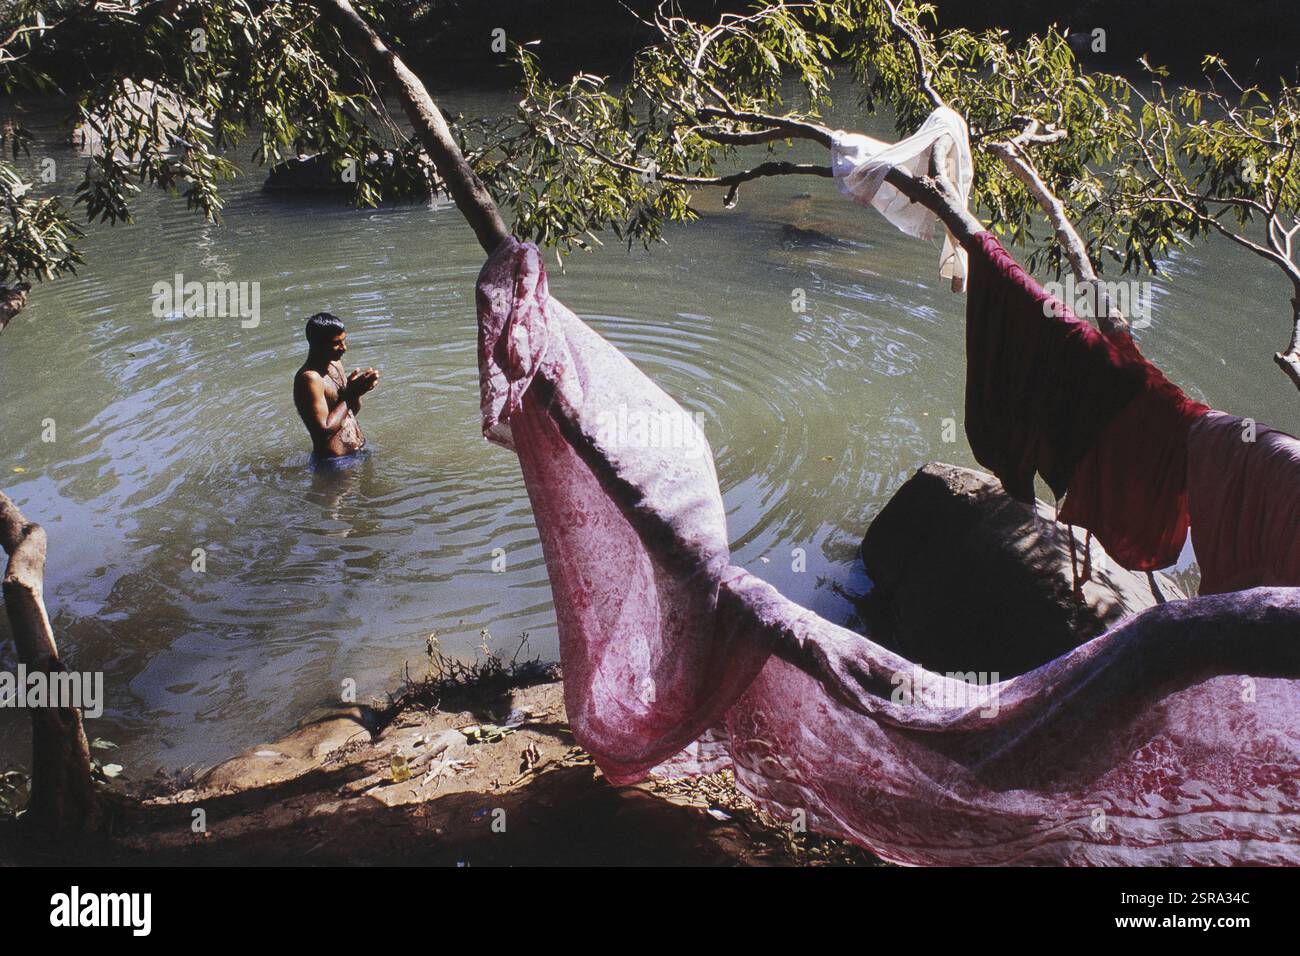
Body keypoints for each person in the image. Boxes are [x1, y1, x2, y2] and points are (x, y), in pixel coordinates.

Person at [293, 312, 378, 460]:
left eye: (344, 341)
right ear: (317, 344)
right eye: (336, 343)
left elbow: (352, 410)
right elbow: (323, 430)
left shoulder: (336, 364)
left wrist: (358, 391)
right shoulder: (310, 378)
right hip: (335, 463)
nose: (343, 348)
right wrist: (351, 394)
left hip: (359, 449)